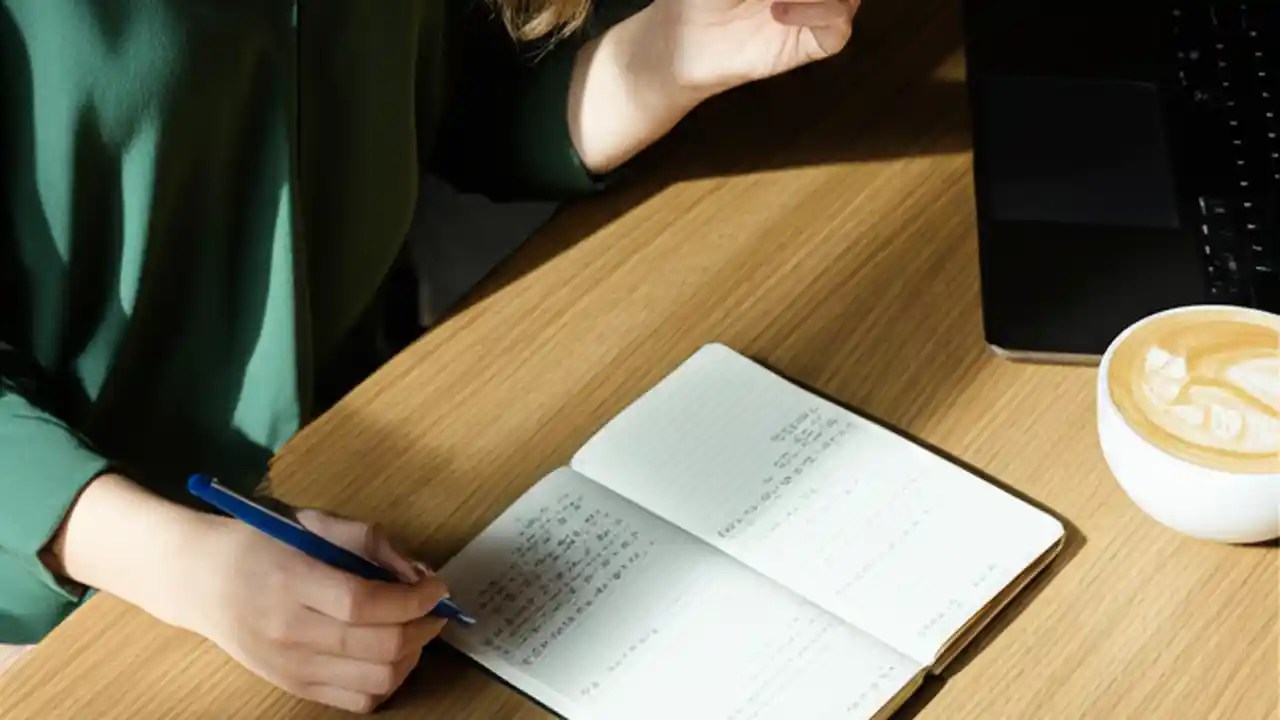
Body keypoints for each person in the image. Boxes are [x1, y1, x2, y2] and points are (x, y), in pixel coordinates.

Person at [0, 0, 858, 711]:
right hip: (67, 593)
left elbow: (457, 109)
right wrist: (174, 560)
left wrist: (674, 51)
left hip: (375, 466)